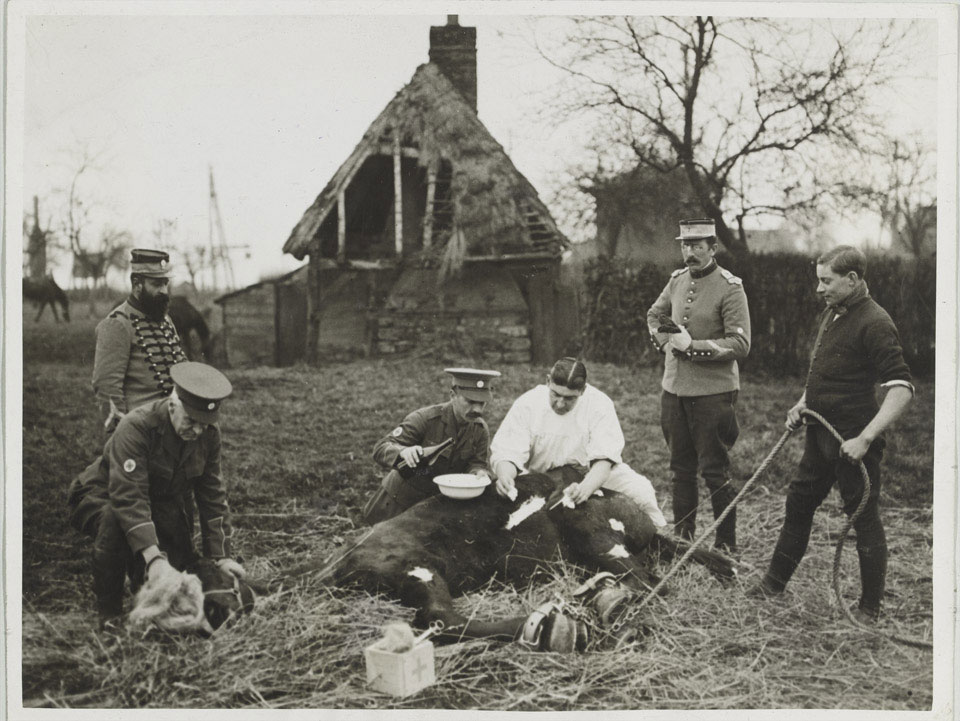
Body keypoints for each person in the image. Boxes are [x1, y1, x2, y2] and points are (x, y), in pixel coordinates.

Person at [748, 246, 914, 623]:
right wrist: (801, 402)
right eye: (818, 280)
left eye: (827, 281)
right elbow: (826, 374)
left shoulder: (875, 321)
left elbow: (901, 387)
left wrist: (866, 438)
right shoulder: (833, 314)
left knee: (863, 518)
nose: (819, 289)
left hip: (852, 443)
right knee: (798, 504)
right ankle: (773, 584)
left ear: (852, 280)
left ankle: (870, 610)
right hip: (818, 436)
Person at [67, 361, 245, 628]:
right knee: (116, 521)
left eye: (204, 424)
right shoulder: (137, 426)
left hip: (160, 500)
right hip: (103, 494)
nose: (197, 430)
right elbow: (128, 496)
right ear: (173, 405)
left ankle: (142, 580)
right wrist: (154, 559)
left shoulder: (208, 435)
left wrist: (222, 556)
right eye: (191, 421)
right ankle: (110, 615)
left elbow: (212, 495)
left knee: (184, 564)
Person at [646, 219, 751, 555]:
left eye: (697, 246)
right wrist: (666, 344)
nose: (689, 252)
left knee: (715, 473)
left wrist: (692, 347)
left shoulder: (730, 287)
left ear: (712, 247)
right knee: (680, 470)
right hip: (674, 392)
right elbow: (654, 315)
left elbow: (740, 343)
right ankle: (684, 541)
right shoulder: (676, 281)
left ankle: (725, 547)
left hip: (713, 395)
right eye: (684, 246)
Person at [491, 357, 667, 528]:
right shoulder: (528, 404)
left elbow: (604, 460)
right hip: (543, 478)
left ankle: (658, 539)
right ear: (547, 381)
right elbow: (508, 451)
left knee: (641, 491)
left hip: (590, 474)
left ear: (582, 391)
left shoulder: (600, 404)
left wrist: (585, 488)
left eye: (569, 398)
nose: (560, 404)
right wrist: (505, 476)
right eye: (556, 394)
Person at [361, 368, 500, 525]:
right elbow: (381, 448)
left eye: (482, 403)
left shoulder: (480, 429)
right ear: (453, 396)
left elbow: (477, 463)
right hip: (398, 504)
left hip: (436, 507)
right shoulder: (426, 419)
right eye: (470, 401)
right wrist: (404, 452)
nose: (477, 410)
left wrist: (479, 473)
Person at [92, 248, 187, 434]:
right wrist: (123, 437)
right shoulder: (117, 324)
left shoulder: (166, 320)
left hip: (174, 426)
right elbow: (107, 388)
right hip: (141, 430)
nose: (163, 291)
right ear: (137, 284)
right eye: (156, 284)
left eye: (165, 283)